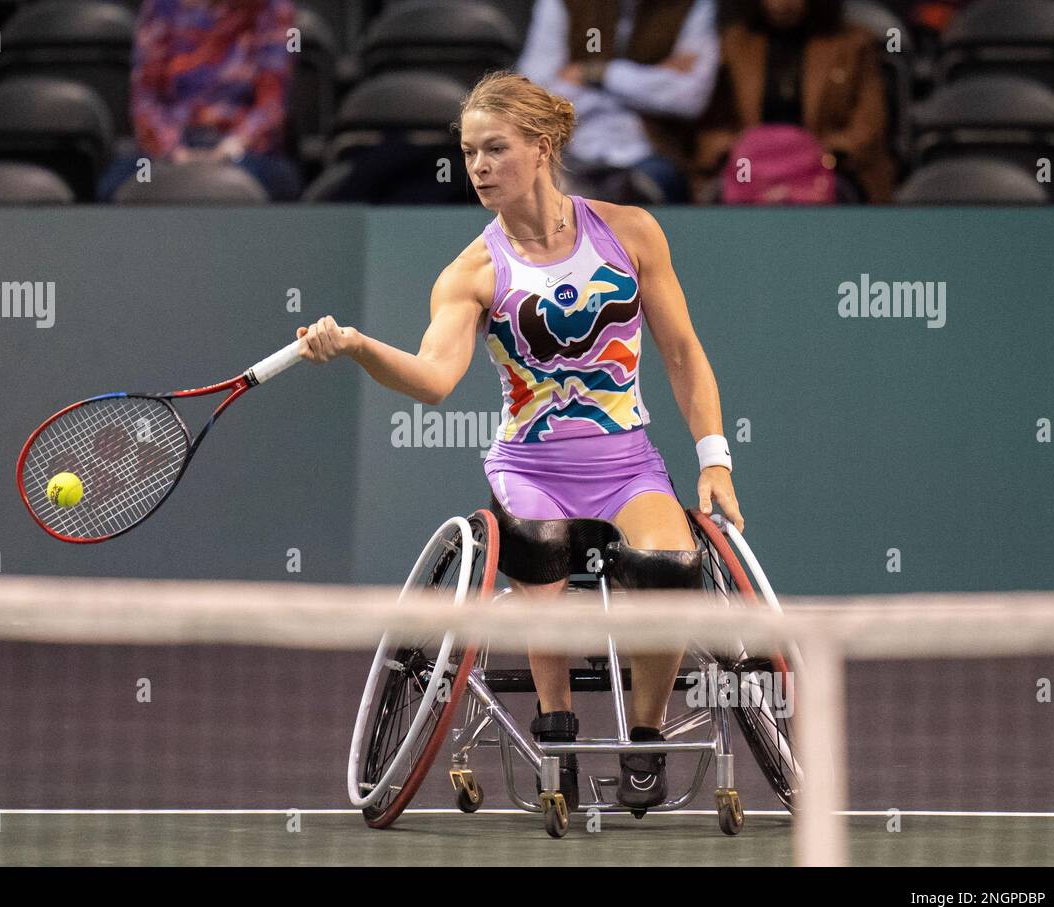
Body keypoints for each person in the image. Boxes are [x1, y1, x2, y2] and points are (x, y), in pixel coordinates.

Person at [295, 71, 743, 811]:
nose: (477, 166)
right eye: (469, 152)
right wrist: (357, 346)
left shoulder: (630, 232)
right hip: (530, 467)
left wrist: (714, 458)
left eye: (494, 149)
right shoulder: (471, 273)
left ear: (542, 147)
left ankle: (645, 738)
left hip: (628, 463)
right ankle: (556, 727)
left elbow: (684, 355)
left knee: (669, 571)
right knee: (541, 554)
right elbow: (435, 379)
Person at [515, 0, 721, 203]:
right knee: (535, 183)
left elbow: (691, 98)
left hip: (650, 153)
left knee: (653, 187)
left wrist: (596, 74)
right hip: (571, 148)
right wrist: (652, 82)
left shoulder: (692, 5)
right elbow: (533, 93)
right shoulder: (562, 3)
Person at [695, 0, 895, 203]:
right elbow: (709, 126)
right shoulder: (731, 43)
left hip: (831, 168)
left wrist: (818, 155)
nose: (782, 3)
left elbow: (870, 126)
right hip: (747, 168)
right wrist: (740, 151)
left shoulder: (855, 43)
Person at [103, 0, 302, 201]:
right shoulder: (159, 5)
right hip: (171, 146)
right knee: (114, 186)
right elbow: (145, 99)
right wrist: (172, 150)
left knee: (283, 185)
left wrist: (234, 146)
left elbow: (272, 105)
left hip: (243, 151)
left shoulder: (273, 6)